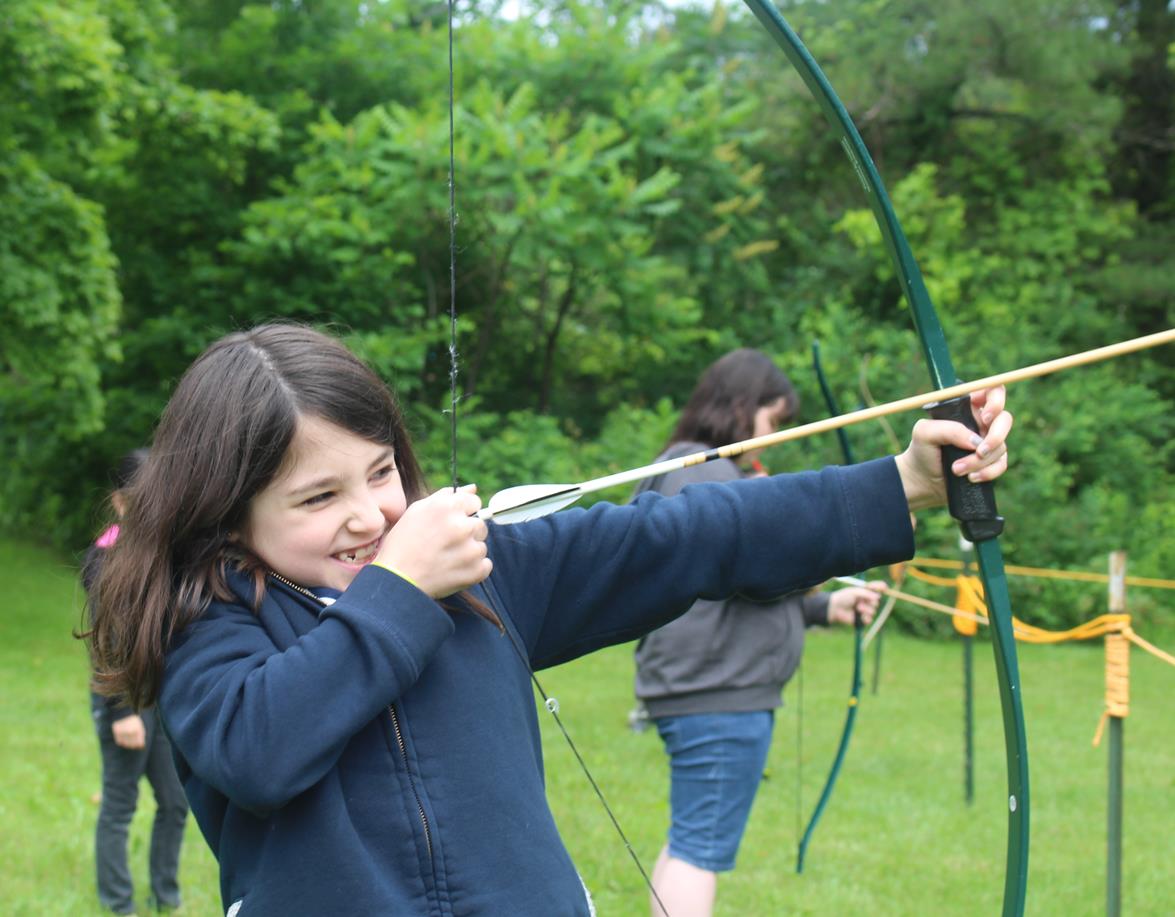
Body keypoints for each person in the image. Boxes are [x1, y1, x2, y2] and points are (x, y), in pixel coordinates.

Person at [85, 323, 1011, 916]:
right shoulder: (207, 623)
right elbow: (257, 750)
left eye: (379, 472)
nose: (370, 513)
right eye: (318, 495)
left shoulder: (479, 573)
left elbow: (687, 535)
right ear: (230, 511)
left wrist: (901, 483)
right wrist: (400, 592)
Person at [632, 349, 894, 917]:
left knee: (690, 841)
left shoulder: (686, 465)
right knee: (699, 850)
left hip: (701, 684)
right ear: (742, 408)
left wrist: (824, 609)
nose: (772, 436)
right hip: (718, 692)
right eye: (772, 421)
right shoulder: (709, 470)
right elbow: (758, 572)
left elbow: (728, 593)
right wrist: (818, 533)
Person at [83, 449, 188, 915]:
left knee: (175, 803)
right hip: (123, 699)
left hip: (160, 696)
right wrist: (124, 713)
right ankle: (118, 904)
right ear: (120, 502)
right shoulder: (104, 559)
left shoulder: (157, 551)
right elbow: (106, 639)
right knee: (121, 806)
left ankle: (165, 897)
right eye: (142, 499)